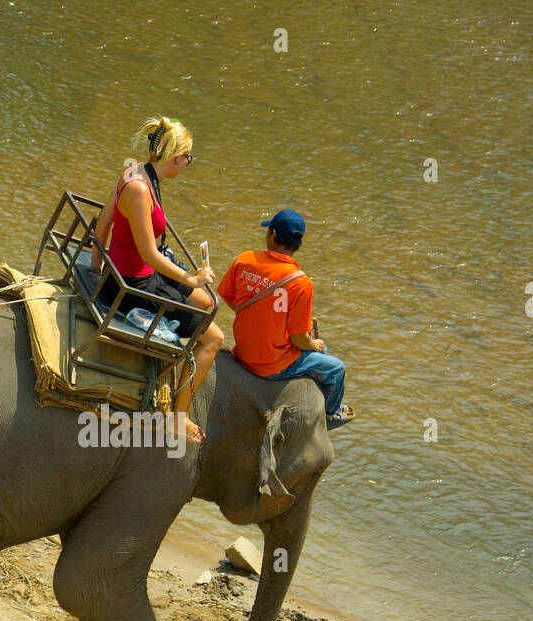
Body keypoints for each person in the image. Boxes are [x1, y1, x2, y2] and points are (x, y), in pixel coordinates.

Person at [90, 116, 223, 444]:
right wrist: (189, 280)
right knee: (214, 338)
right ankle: (178, 418)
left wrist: (96, 265)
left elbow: (104, 220)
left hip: (141, 272)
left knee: (208, 304)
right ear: (177, 158)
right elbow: (149, 255)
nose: (187, 165)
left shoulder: (137, 172)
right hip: (136, 282)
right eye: (188, 159)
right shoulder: (139, 189)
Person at [217, 209, 352, 430]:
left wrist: (259, 315)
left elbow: (230, 298)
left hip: (243, 351)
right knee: (336, 368)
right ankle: (330, 415)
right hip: (272, 364)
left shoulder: (245, 259)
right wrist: (314, 344)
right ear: (297, 244)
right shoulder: (301, 283)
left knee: (320, 354)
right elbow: (299, 339)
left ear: (272, 234)